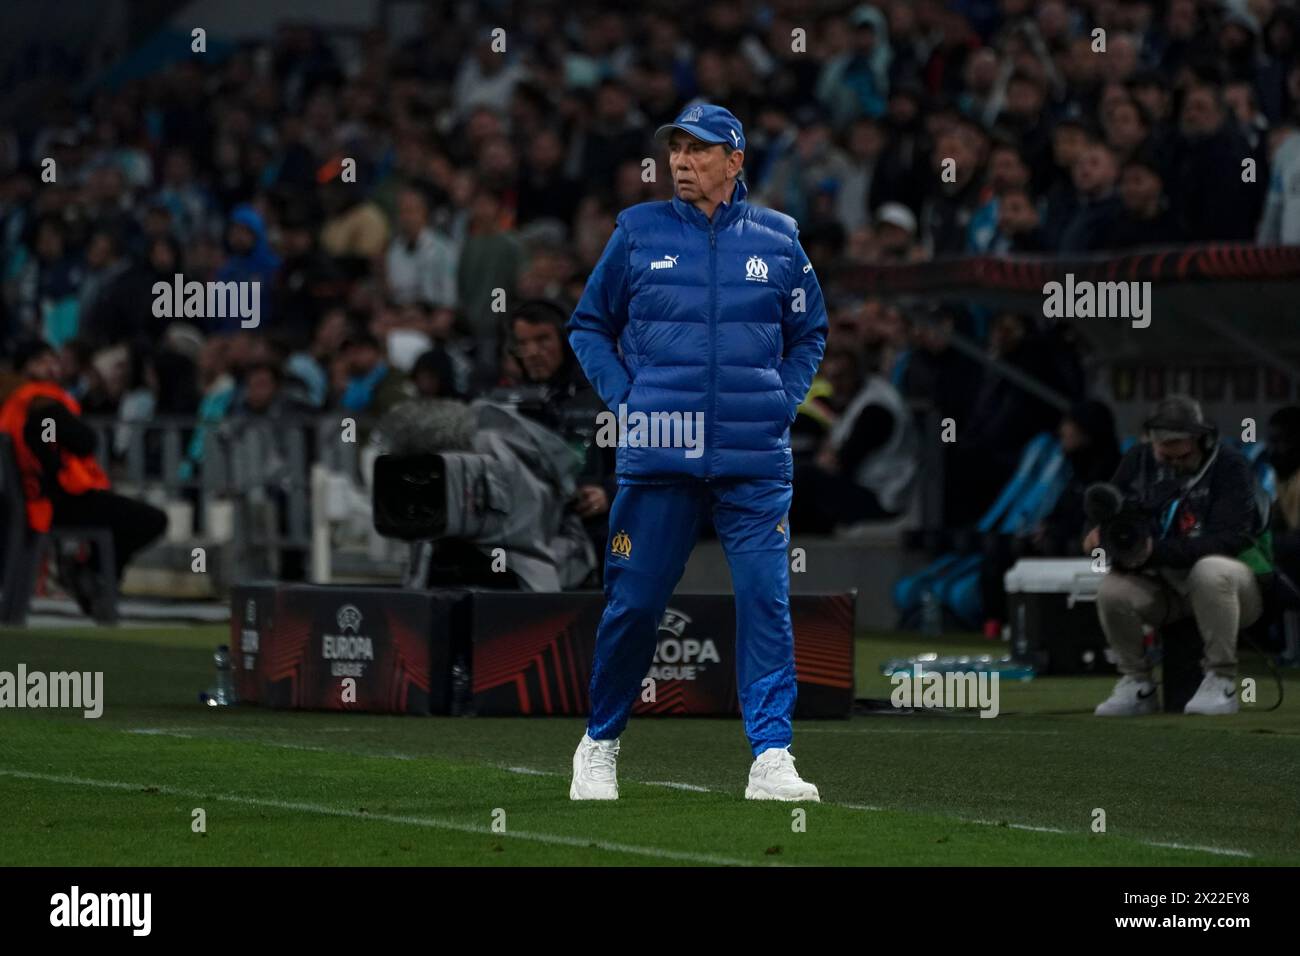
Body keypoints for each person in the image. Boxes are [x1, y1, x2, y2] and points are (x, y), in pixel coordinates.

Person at [567, 104, 827, 801]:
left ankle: (771, 756)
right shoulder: (635, 231)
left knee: (765, 601)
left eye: (698, 150)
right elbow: (588, 325)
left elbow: (812, 333)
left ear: (735, 161)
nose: (681, 161)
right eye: (675, 149)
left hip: (755, 457)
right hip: (658, 456)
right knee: (634, 604)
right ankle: (600, 742)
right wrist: (627, 400)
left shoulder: (780, 239)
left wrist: (780, 399)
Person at [1089, 396, 1270, 717]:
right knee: (1111, 590)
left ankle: (1222, 678)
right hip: (1165, 587)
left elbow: (1230, 539)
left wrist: (1154, 552)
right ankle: (1137, 682)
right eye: (1164, 453)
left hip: (1232, 589)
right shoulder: (1137, 461)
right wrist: (1102, 540)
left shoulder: (1229, 465)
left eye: (1182, 454)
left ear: (1203, 440)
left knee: (1210, 569)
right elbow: (1110, 517)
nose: (1172, 461)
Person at [0, 339, 167, 617]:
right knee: (150, 519)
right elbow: (82, 440)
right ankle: (93, 572)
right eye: (42, 360)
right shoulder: (43, 404)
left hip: (32, 500)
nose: (51, 366)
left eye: (52, 359)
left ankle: (91, 574)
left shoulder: (15, 403)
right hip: (59, 501)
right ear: (25, 367)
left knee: (125, 516)